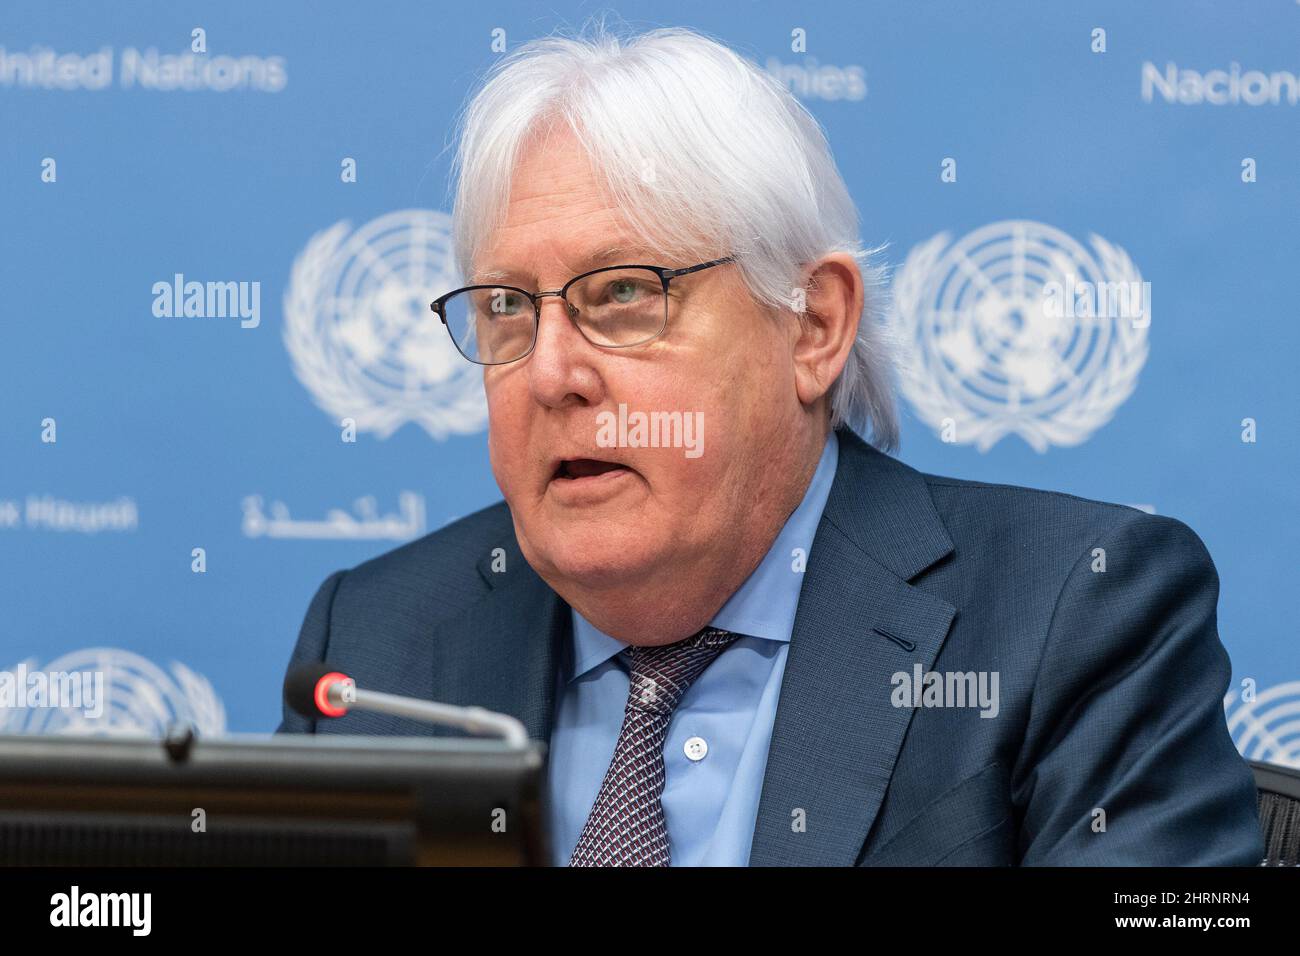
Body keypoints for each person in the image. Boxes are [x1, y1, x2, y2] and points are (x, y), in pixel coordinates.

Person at [277, 24, 1263, 867]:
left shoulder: (1073, 617)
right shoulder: (376, 648)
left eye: (623, 293)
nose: (548, 373)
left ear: (812, 326)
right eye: (505, 309)